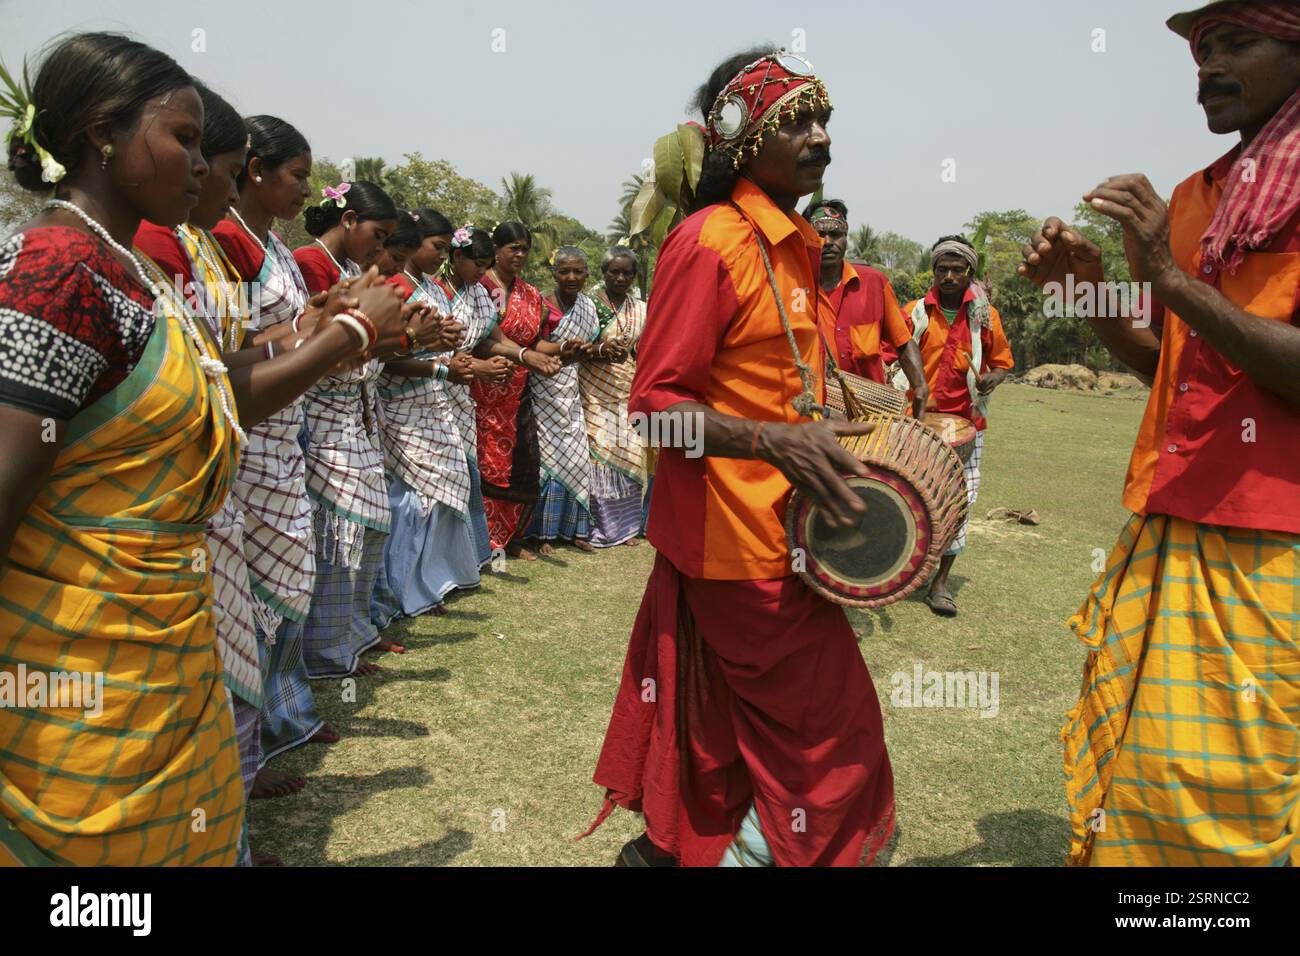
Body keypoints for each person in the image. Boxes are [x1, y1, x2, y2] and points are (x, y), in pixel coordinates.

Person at [585, 47, 895, 867]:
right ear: (743, 138)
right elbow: (655, 410)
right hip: (736, 545)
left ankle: (677, 850)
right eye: (798, 121)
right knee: (835, 744)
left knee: (728, 725)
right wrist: (771, 440)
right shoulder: (709, 241)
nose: (822, 138)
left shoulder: (794, 244)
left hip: (779, 534)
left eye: (826, 120)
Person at [1019, 0, 1300, 866]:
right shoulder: (1195, 197)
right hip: (1175, 513)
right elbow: (1171, 371)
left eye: (1237, 42)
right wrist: (1087, 290)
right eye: (1201, 48)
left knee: (1236, 799)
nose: (1208, 65)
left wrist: (1170, 277)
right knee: (1154, 788)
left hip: (1272, 543)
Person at [134, 85, 405, 860]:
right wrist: (342, 331)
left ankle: (236, 815)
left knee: (251, 638)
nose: (197, 173)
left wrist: (322, 328)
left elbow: (230, 357)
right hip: (204, 485)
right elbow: (204, 378)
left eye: (202, 154)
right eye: (190, 149)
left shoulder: (214, 246)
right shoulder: (157, 248)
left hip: (239, 465)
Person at [0, 32, 246, 865]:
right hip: (71, 678)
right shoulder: (55, 268)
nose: (201, 163)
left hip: (161, 651)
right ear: (103, 131)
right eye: (183, 137)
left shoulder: (136, 273)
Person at [212, 115, 336, 777]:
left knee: (282, 596)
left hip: (284, 436)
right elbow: (218, 356)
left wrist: (325, 329)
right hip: (247, 437)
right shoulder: (225, 245)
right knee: (251, 609)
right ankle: (244, 761)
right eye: (295, 176)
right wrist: (326, 336)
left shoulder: (276, 247)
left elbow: (289, 332)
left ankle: (268, 732)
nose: (304, 191)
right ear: (254, 170)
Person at [293, 181, 406, 676]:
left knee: (368, 525)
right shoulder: (310, 262)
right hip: (322, 411)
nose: (379, 252)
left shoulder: (348, 269)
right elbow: (321, 340)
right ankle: (325, 650)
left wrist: (402, 335)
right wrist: (397, 338)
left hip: (355, 412)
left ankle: (351, 633)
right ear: (348, 219)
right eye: (376, 237)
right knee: (341, 530)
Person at [371, 209, 482, 624]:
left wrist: (445, 344)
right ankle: (401, 589)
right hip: (400, 404)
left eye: (447, 248)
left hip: (431, 399)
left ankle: (429, 581)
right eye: (437, 247)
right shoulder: (393, 284)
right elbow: (387, 355)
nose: (443, 255)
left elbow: (425, 341)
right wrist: (437, 360)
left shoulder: (429, 286)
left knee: (439, 490)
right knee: (409, 499)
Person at [900, 235, 1013, 617]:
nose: (949, 276)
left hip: (968, 423)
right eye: (942, 269)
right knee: (909, 493)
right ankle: (901, 569)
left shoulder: (986, 316)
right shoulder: (913, 312)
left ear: (970, 272)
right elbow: (890, 354)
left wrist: (991, 380)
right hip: (915, 423)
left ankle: (941, 583)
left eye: (957, 269)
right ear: (932, 271)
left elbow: (1001, 364)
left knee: (960, 499)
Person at [476, 222, 563, 558]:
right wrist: (530, 356)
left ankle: (511, 537)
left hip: (519, 390)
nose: (519, 254)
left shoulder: (530, 293)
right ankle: (486, 538)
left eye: (524, 248)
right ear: (496, 249)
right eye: (512, 247)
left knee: (522, 461)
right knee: (488, 464)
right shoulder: (482, 288)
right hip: (482, 389)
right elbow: (486, 339)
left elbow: (536, 340)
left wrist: (562, 349)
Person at [801, 198, 928, 414]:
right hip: (814, 413)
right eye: (819, 234)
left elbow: (903, 341)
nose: (828, 241)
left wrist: (920, 386)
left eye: (836, 234)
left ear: (846, 238)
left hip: (870, 409)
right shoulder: (793, 285)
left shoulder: (874, 283)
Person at [525, 247, 601, 555]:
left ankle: (575, 531)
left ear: (586, 274)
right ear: (554, 273)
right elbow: (529, 345)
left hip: (571, 393)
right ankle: (542, 534)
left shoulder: (587, 306)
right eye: (564, 271)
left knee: (578, 461)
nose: (571, 277)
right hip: (542, 391)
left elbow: (591, 347)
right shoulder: (541, 305)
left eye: (578, 272)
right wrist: (561, 350)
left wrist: (599, 348)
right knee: (547, 463)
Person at [579, 246, 648, 548]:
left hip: (626, 390)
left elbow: (642, 351)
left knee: (630, 455)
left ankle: (628, 529)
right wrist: (600, 351)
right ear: (603, 273)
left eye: (627, 273)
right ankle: (602, 527)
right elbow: (575, 347)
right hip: (594, 389)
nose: (620, 277)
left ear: (634, 276)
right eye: (614, 272)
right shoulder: (589, 305)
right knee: (601, 456)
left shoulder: (641, 309)